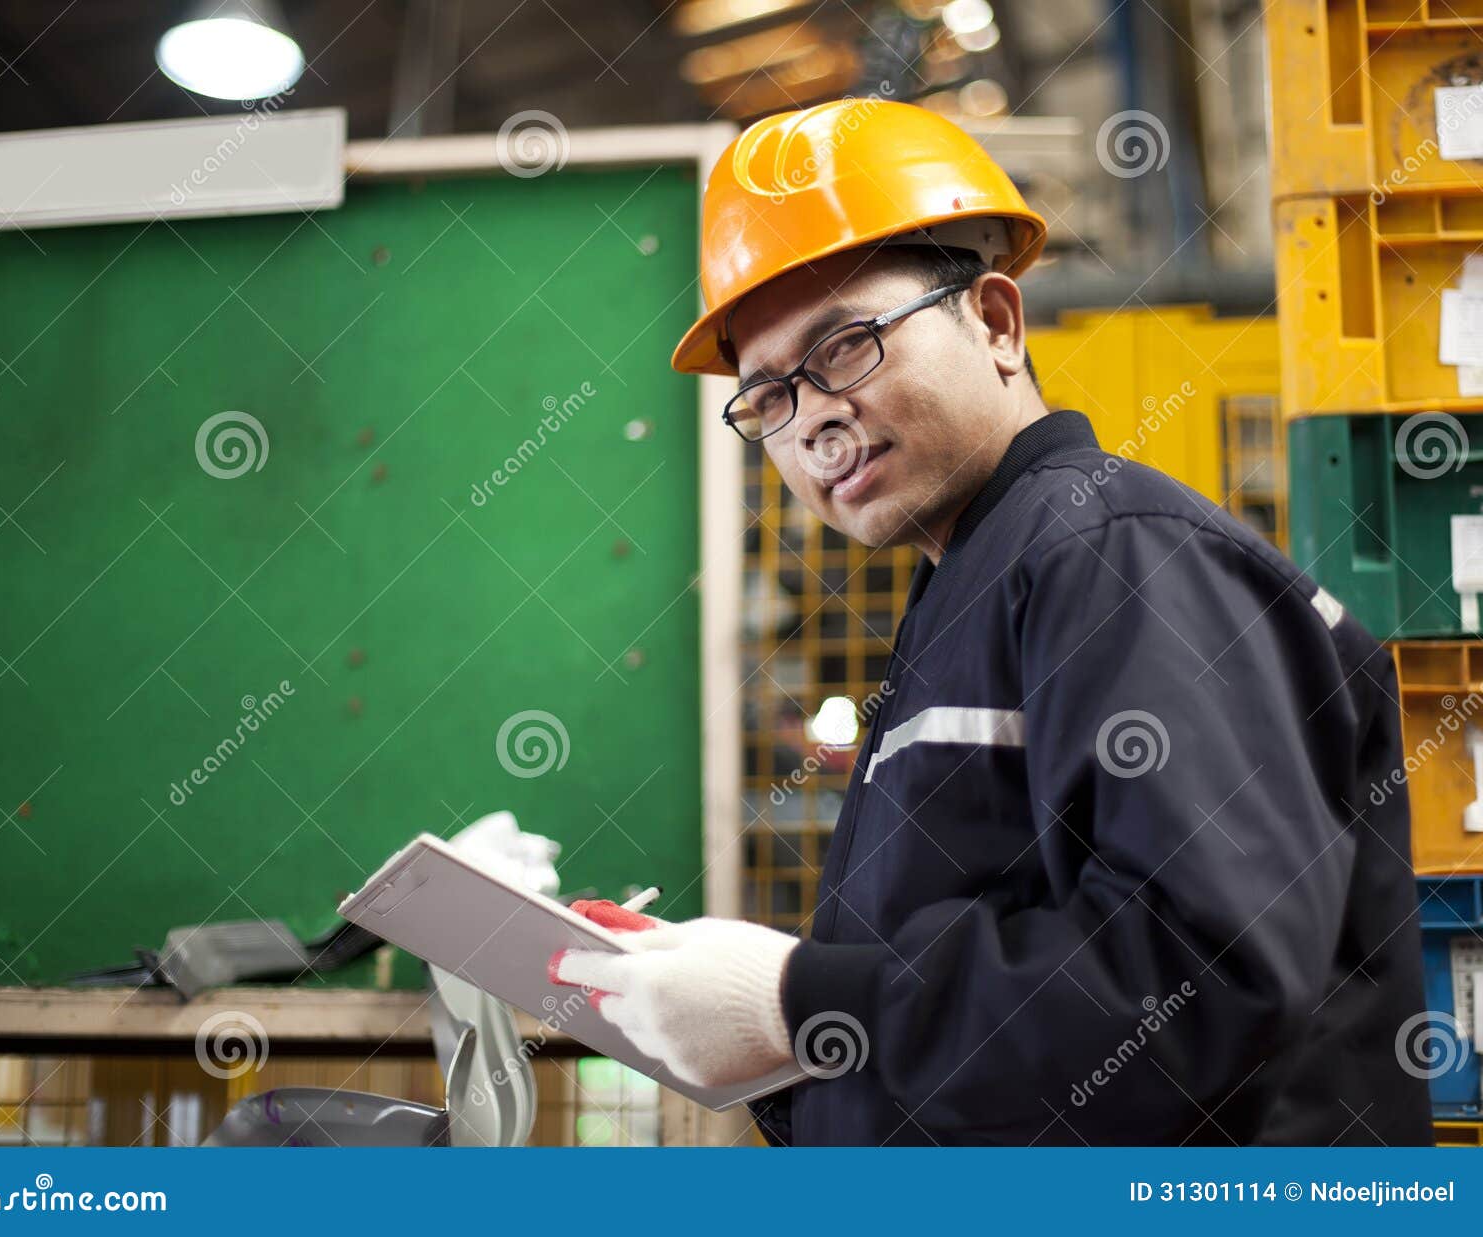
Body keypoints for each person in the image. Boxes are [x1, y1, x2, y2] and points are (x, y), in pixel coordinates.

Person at [549, 98, 1431, 1146]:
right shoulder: (977, 587)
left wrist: (804, 999)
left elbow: (1198, 985)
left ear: (998, 323)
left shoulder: (1111, 553)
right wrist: (760, 1030)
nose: (813, 415)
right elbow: (988, 1025)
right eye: (769, 395)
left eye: (845, 346)